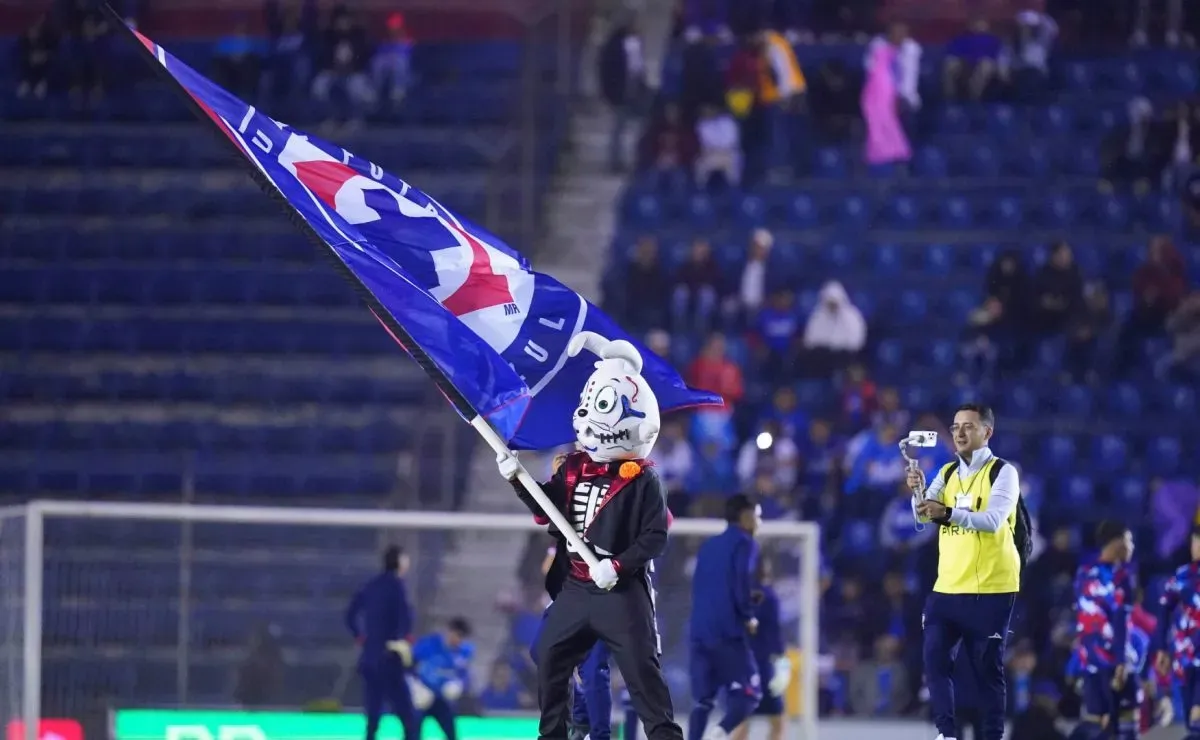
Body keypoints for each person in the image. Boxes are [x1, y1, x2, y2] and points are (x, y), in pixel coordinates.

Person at [497, 332, 683, 740]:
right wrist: (518, 479)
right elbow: (548, 511)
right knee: (549, 655)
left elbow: (654, 537)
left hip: (620, 592)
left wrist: (617, 566)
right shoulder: (573, 467)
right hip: (577, 587)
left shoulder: (644, 478)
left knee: (642, 677)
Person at [908, 403, 1029, 740]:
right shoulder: (945, 473)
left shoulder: (1003, 472)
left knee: (987, 672)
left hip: (991, 589)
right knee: (934, 661)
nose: (959, 432)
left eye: (969, 427)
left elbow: (992, 521)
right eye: (956, 426)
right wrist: (917, 492)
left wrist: (945, 512)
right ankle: (946, 734)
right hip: (947, 586)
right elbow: (921, 517)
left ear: (987, 432)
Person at [687, 494, 763, 740]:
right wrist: (749, 615)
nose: (759, 523)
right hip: (727, 632)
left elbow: (705, 587)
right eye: (758, 517)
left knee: (702, 701)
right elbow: (739, 583)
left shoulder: (708, 545)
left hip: (699, 632)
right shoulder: (745, 542)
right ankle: (719, 734)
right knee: (750, 694)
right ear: (746, 517)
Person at [344, 545, 420, 740]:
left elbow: (350, 614)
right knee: (408, 716)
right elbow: (405, 620)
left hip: (370, 659)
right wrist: (405, 642)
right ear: (400, 562)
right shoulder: (397, 586)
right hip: (390, 659)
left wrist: (361, 637)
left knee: (373, 717)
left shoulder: (370, 585)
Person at [1071, 521, 1136, 739]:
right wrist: (1121, 661)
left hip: (1089, 663)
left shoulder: (1083, 574)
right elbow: (1120, 622)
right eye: (1129, 540)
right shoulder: (1121, 578)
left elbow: (1083, 623)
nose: (1132, 546)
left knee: (1098, 725)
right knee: (1124, 725)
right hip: (1113, 663)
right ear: (1118, 542)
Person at [730, 556, 790, 740]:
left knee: (741, 722)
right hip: (763, 667)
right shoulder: (768, 596)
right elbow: (775, 635)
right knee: (778, 723)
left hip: (739, 666)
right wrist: (782, 662)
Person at [1155, 526, 1200, 739]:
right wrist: (1162, 648)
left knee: (1197, 718)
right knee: (1192, 722)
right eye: (1195, 541)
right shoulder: (1182, 577)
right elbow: (1164, 610)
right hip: (1185, 659)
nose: (1197, 546)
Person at [410, 617, 474, 740]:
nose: (458, 641)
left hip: (442, 699)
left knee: (451, 734)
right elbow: (408, 665)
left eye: (462, 638)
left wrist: (459, 684)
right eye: (457, 635)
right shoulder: (429, 644)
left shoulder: (463, 651)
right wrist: (416, 686)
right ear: (449, 631)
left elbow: (465, 674)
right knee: (412, 732)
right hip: (422, 696)